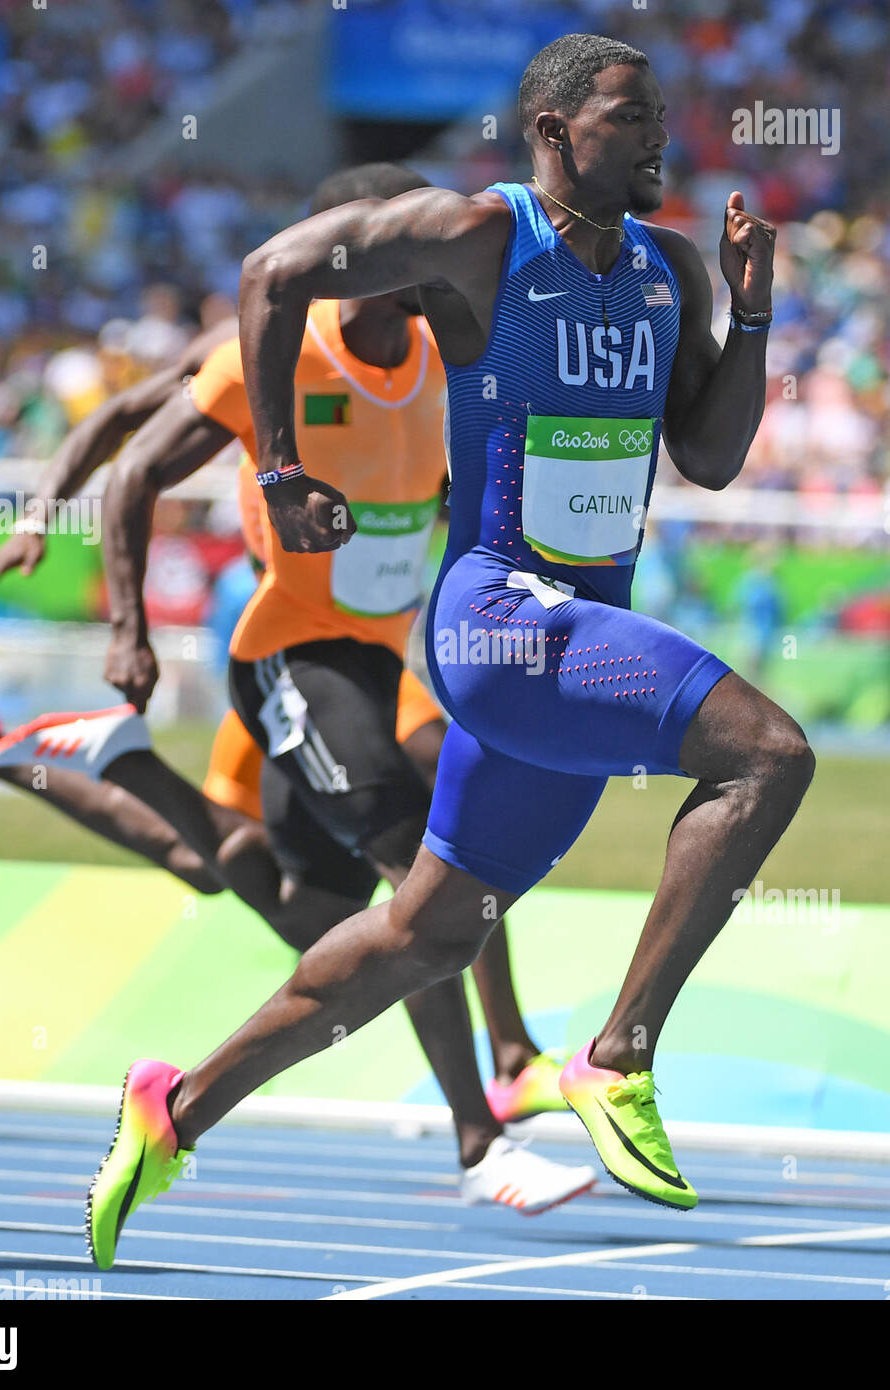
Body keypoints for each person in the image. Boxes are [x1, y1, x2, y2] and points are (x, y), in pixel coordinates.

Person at [86, 34, 814, 1267]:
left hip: (570, 646)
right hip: (498, 621)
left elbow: (710, 455)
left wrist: (749, 315)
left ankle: (177, 1106)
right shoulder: (481, 236)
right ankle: (618, 1055)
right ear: (550, 130)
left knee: (429, 933)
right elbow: (273, 272)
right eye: (629, 117)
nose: (656, 136)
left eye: (660, 116)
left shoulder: (665, 266)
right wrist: (278, 461)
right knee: (767, 755)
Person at [0, 166, 591, 1224]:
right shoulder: (276, 352)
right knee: (414, 864)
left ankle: (21, 748)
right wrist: (89, 580)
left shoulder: (447, 350)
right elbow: (128, 436)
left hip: (380, 665)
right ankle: (487, 1120)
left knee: (280, 894)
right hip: (290, 657)